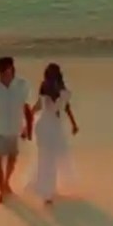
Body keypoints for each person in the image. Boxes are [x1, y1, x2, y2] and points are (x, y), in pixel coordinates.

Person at [0, 55, 33, 203]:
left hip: (15, 128)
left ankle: (6, 182)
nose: (3, 74)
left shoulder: (22, 85)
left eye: (5, 71)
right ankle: (1, 190)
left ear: (12, 68)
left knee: (12, 159)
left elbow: (26, 108)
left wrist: (27, 129)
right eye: (0, 71)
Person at [26, 62, 79, 205]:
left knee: (46, 158)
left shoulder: (49, 87)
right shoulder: (57, 89)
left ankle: (47, 190)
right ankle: (47, 192)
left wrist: (73, 123)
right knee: (49, 159)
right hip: (50, 126)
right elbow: (61, 106)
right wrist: (73, 124)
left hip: (46, 125)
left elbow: (41, 105)